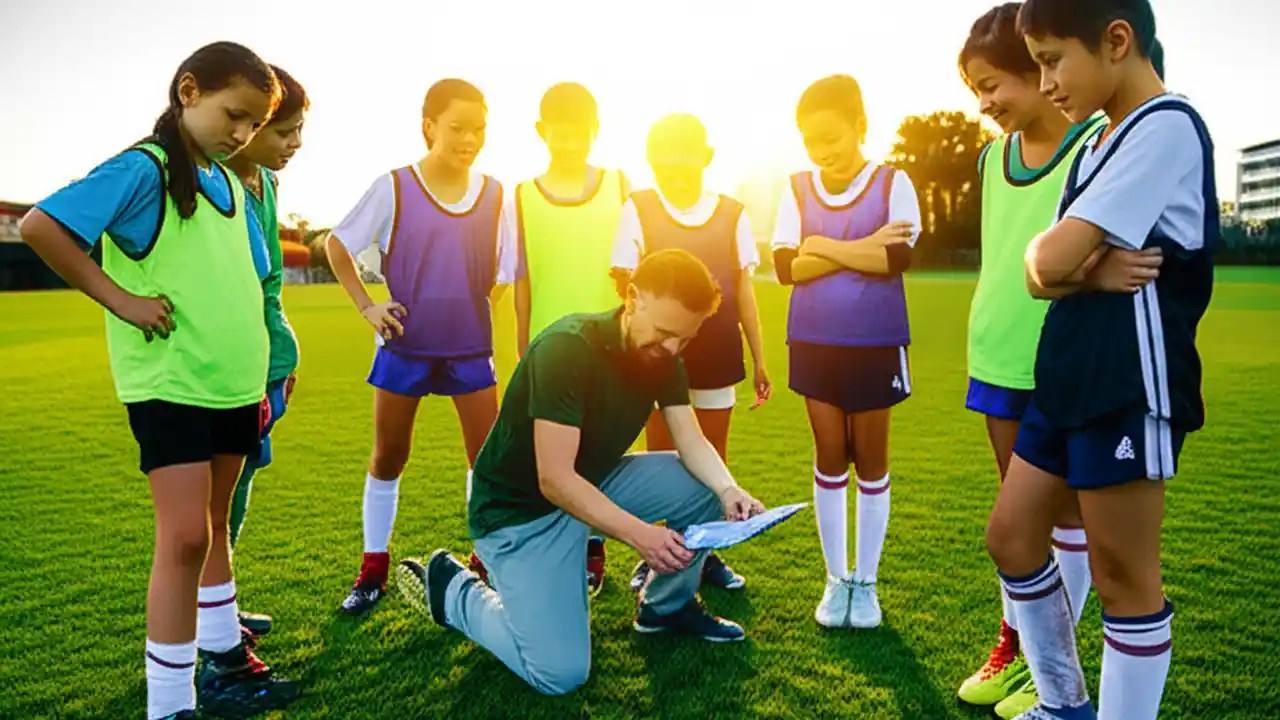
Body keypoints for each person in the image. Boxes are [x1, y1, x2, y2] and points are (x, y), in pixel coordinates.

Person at [18, 42, 298, 720]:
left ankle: (227, 659)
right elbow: (40, 225)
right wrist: (121, 299)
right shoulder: (144, 169)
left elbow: (241, 285)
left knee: (213, 530)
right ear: (189, 91)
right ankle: (171, 705)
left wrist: (262, 374)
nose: (240, 134)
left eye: (253, 125)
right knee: (184, 539)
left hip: (234, 384)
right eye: (234, 115)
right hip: (170, 384)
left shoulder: (232, 183)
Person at [396, 249, 765, 696]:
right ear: (633, 298)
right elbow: (554, 478)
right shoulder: (567, 348)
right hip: (520, 515)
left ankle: (663, 608)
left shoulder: (663, 357)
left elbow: (689, 438)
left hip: (590, 487)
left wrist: (728, 489)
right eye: (665, 332)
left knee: (701, 488)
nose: (671, 348)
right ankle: (455, 593)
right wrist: (640, 535)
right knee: (560, 673)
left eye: (683, 340)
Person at [987, 1, 1216, 718]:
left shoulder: (1166, 125)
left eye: (1053, 59)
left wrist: (1064, 263)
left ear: (1117, 40)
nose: (1045, 80)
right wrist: (1088, 269)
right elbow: (1036, 269)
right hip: (1067, 371)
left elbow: (1050, 254)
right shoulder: (1092, 143)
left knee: (1124, 579)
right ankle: (1063, 704)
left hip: (1128, 377)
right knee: (1012, 537)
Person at [955, 5, 1107, 716]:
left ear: (1036, 71)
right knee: (1018, 525)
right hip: (995, 356)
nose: (985, 105)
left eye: (993, 86)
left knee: (1065, 517)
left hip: (1064, 364)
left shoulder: (1097, 143)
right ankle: (1017, 649)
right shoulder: (991, 157)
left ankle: (1046, 662)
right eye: (974, 92)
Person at [324, 78, 518, 616]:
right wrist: (368, 306)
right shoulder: (395, 186)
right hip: (404, 345)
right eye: (457, 127)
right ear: (429, 126)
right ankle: (373, 568)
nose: (469, 138)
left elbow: (505, 271)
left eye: (479, 128)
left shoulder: (497, 193)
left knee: (487, 460)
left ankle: (483, 562)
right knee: (389, 455)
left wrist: (468, 309)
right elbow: (336, 243)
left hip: (470, 348)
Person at [771, 74, 922, 630]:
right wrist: (861, 248)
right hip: (813, 340)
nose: (822, 152)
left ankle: (868, 582)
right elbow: (788, 268)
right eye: (811, 142)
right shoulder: (795, 187)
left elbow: (896, 260)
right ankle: (836, 580)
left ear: (860, 127)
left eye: (832, 137)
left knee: (872, 460)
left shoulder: (893, 182)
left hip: (876, 342)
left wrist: (824, 246)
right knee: (830, 455)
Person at [471, 81, 629, 595]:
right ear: (542, 131)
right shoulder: (523, 196)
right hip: (549, 348)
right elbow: (522, 279)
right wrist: (523, 349)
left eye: (580, 130)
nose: (571, 140)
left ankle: (593, 550)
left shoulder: (619, 184)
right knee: (549, 457)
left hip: (609, 344)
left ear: (595, 130)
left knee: (598, 450)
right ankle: (533, 550)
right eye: (560, 131)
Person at [612, 113, 769, 593]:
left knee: (712, 458)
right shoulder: (638, 207)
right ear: (651, 161)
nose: (676, 166)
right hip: (659, 359)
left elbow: (744, 289)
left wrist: (759, 356)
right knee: (663, 462)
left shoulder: (730, 212)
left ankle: (705, 554)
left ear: (706, 157)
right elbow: (625, 282)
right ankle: (656, 553)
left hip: (718, 354)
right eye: (664, 157)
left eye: (686, 155)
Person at [222, 63, 308, 644]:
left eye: (301, 132)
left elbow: (270, 282)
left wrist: (284, 358)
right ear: (249, 125)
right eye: (284, 132)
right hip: (228, 365)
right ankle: (209, 618)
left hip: (269, 360)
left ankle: (220, 606)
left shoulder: (268, 184)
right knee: (213, 499)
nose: (294, 145)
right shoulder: (212, 183)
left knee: (243, 480)